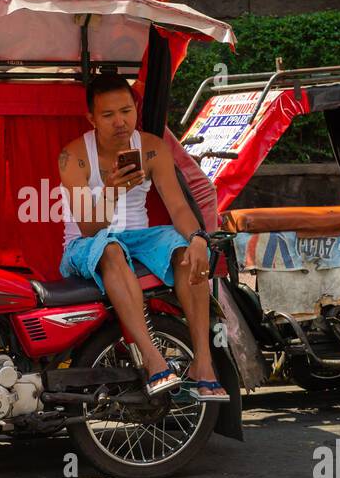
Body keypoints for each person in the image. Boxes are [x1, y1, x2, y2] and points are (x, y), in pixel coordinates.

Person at [57, 72, 228, 401]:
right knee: (110, 247)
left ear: (136, 108)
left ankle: (203, 364)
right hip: (87, 244)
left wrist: (197, 238)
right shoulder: (74, 155)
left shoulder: (151, 147)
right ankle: (153, 360)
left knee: (185, 250)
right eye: (108, 115)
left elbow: (177, 207)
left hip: (141, 238)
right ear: (91, 118)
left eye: (126, 111)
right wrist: (112, 191)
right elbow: (89, 227)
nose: (120, 122)